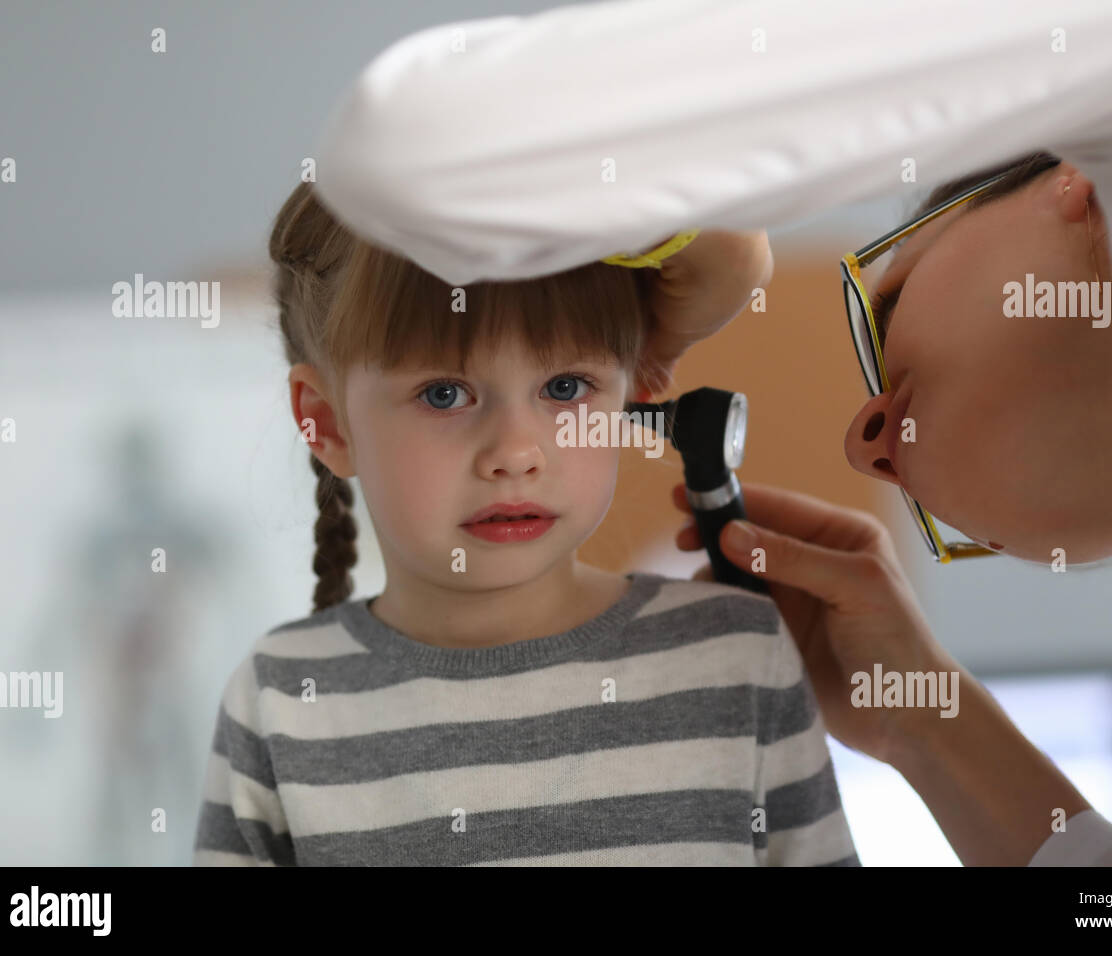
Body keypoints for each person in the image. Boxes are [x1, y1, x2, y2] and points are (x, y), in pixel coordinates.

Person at [308, 0, 1112, 864]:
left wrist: (715, 257)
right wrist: (927, 727)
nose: (865, 444)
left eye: (883, 310)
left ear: (1074, 175)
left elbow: (412, 141)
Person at [191, 181, 858, 866]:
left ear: (629, 391)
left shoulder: (736, 654)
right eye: (444, 394)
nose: (515, 452)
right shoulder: (280, 697)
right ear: (327, 423)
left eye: (565, 388)